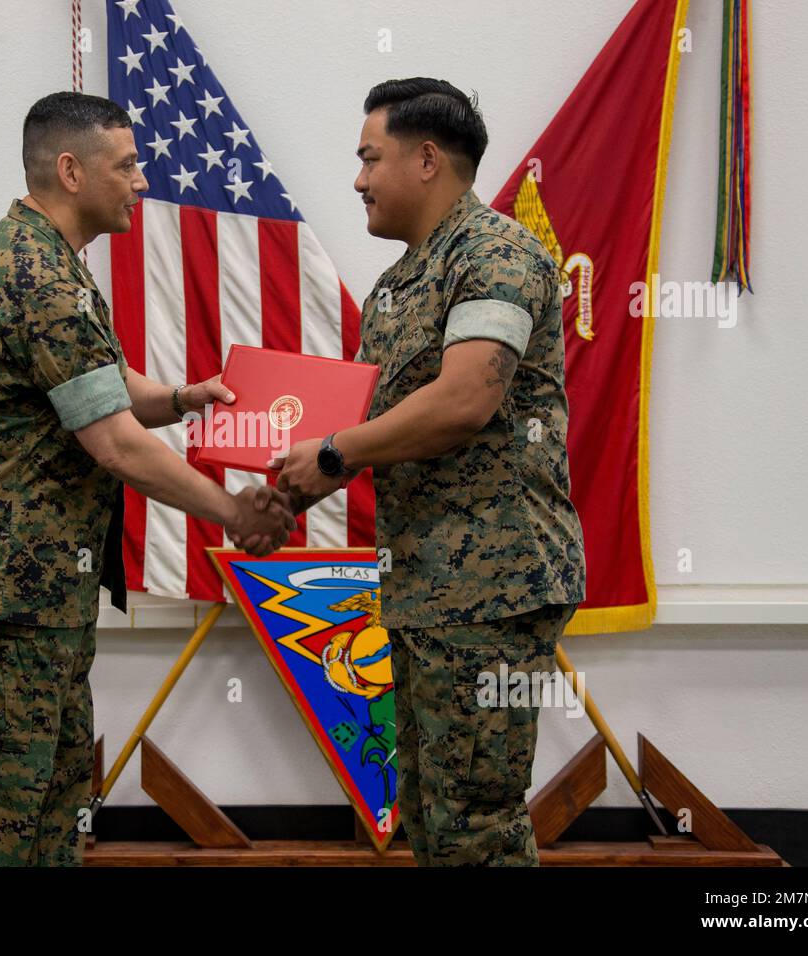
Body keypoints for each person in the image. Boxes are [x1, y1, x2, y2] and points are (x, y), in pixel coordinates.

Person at [0, 91, 295, 866]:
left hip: (36, 587)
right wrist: (231, 511)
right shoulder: (39, 275)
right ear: (70, 169)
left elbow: (106, 383)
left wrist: (185, 398)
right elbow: (117, 445)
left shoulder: (46, 257)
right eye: (125, 165)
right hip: (10, 589)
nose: (141, 181)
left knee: (51, 795)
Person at [271, 78, 586, 866]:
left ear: (427, 159)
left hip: (493, 584)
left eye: (369, 158)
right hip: (422, 585)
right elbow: (364, 419)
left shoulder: (498, 255)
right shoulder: (397, 287)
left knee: (476, 818)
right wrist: (275, 476)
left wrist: (335, 454)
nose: (358, 178)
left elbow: (465, 399)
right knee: (427, 809)